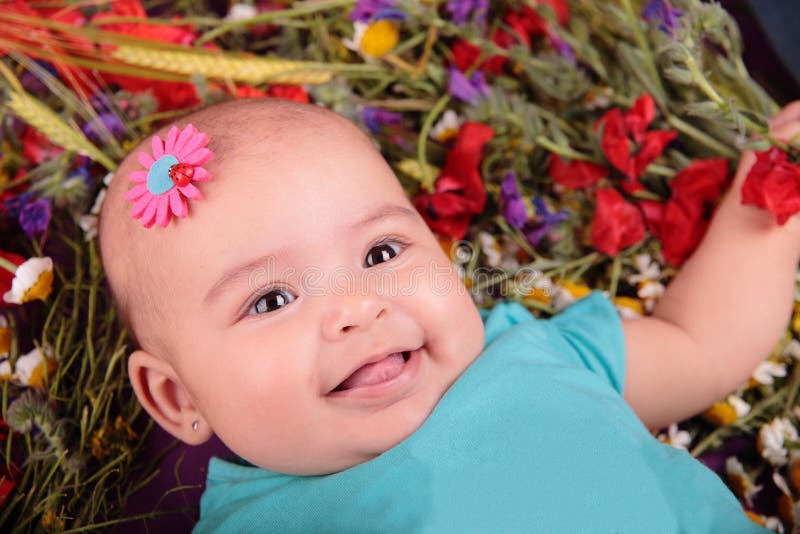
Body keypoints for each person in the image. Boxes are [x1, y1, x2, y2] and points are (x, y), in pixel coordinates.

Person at [99, 97, 800, 532]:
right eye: (271, 299)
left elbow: (700, 340)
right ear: (178, 395)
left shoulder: (537, 353)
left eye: (380, 251)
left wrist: (775, 182)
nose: (358, 307)